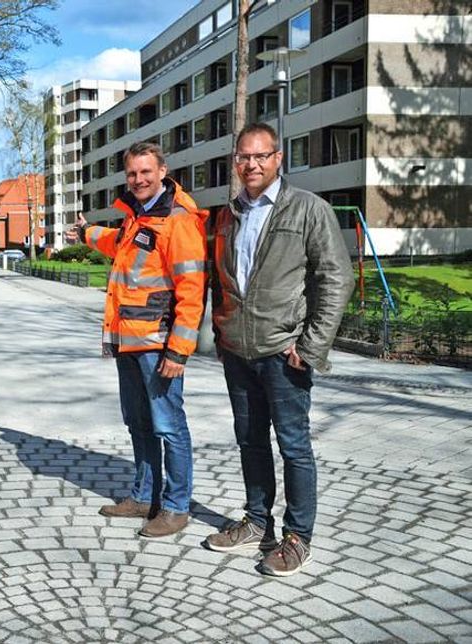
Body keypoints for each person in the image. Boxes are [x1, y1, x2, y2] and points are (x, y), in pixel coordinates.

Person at [206, 123, 353, 576]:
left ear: (278, 158)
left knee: (293, 447)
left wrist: (310, 347)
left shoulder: (309, 209)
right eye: (244, 157)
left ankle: (297, 537)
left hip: (283, 352)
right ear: (236, 161)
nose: (251, 165)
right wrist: (220, 332)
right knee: (250, 440)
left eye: (261, 156)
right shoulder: (228, 214)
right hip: (238, 350)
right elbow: (221, 278)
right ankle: (256, 522)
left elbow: (336, 279)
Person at [67, 141, 208, 539]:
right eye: (132, 173)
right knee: (139, 424)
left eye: (146, 172)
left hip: (159, 345)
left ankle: (177, 507)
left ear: (163, 171)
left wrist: (179, 350)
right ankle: (145, 497)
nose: (139, 179)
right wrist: (86, 233)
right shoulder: (138, 216)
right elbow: (117, 245)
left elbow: (192, 289)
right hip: (129, 341)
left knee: (168, 426)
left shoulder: (178, 220)